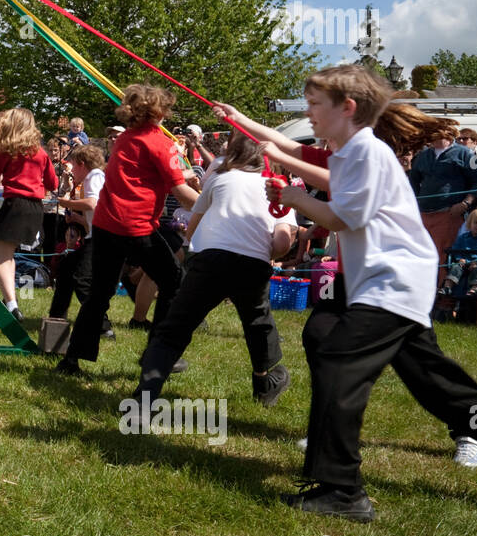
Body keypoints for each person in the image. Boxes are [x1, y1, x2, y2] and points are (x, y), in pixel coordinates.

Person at [269, 65, 477, 521]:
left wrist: (293, 198)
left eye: (314, 104)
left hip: (392, 284)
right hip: (393, 285)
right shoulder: (353, 152)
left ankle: (342, 490)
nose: (308, 113)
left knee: (337, 358)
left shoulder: (366, 152)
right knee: (445, 394)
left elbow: (342, 219)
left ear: (346, 108)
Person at [131, 131, 297, 407]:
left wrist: (187, 245)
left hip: (208, 261)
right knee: (258, 323)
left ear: (232, 154)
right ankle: (264, 382)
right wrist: (273, 249)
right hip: (252, 265)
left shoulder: (219, 179)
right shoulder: (276, 187)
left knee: (175, 328)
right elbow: (281, 242)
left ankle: (146, 394)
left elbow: (195, 219)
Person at [55, 84, 198, 376]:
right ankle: (157, 356)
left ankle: (71, 360)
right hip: (136, 227)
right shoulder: (161, 143)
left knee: (100, 293)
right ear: (157, 112)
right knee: (172, 281)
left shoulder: (123, 139)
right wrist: (218, 204)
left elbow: (143, 173)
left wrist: (179, 172)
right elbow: (182, 194)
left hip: (107, 225)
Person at [0, 108, 57, 322]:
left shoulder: (7, 151)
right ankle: (12, 300)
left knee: (2, 257)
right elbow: (53, 183)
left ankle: (12, 305)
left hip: (15, 206)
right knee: (15, 256)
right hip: (35, 209)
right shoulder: (41, 153)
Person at [47, 143, 114, 339]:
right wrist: (78, 219)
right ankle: (56, 318)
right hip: (95, 236)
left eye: (74, 166)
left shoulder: (94, 176)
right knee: (66, 270)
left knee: (82, 280)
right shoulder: (92, 178)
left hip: (101, 239)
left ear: (82, 164)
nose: (72, 170)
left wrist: (65, 203)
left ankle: (103, 327)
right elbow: (95, 215)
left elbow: (92, 203)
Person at [408, 122, 477, 286]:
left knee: (444, 258)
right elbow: (412, 182)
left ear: (447, 133)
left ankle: (445, 301)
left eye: (433, 131)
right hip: (423, 215)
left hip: (448, 215)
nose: (429, 135)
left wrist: (465, 203)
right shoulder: (422, 156)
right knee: (421, 257)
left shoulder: (467, 154)